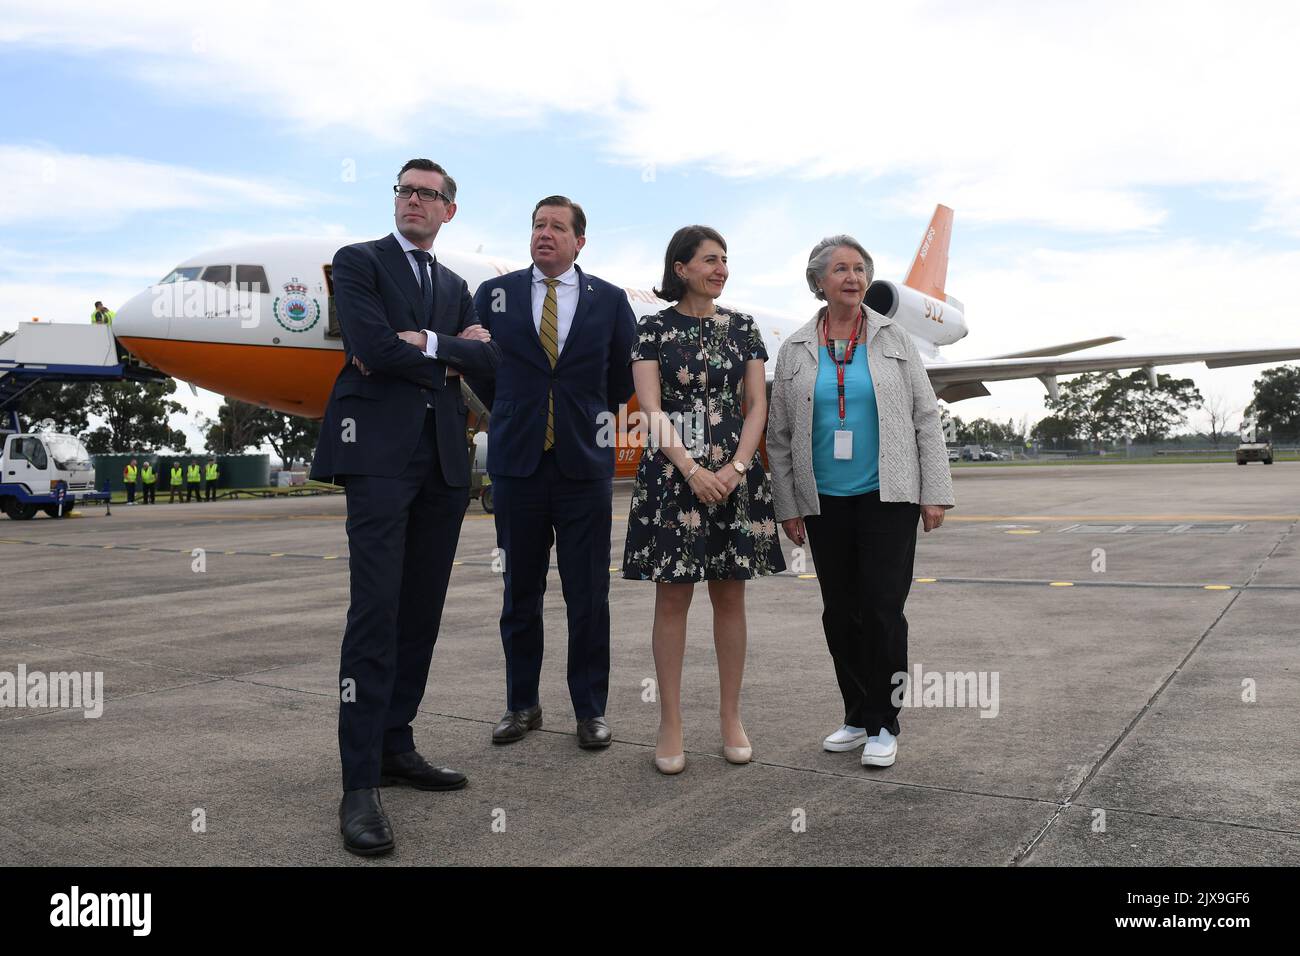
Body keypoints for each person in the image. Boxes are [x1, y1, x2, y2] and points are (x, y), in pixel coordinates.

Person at [309, 158, 500, 857]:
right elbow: (368, 348)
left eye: (429, 194)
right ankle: (357, 783)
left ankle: (396, 744)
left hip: (445, 464)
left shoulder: (456, 286)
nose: (414, 200)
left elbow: (494, 365)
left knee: (420, 613)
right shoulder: (358, 262)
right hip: (379, 457)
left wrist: (426, 345)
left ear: (449, 210)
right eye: (405, 191)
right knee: (374, 613)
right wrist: (450, 354)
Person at [767, 235, 954, 769]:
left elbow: (925, 417)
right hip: (824, 500)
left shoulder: (896, 339)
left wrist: (934, 493)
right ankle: (855, 715)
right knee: (839, 613)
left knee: (882, 611)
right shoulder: (797, 347)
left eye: (859, 269)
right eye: (840, 269)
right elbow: (779, 436)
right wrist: (788, 504)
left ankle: (884, 722)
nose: (851, 277)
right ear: (818, 282)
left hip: (888, 496)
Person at [468, 197, 637, 751]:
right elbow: (481, 370)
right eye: (538, 225)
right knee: (520, 592)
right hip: (517, 465)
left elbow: (619, 381)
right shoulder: (495, 296)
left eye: (557, 227)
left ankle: (590, 711)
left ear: (579, 241)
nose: (545, 234)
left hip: (582, 466)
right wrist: (519, 410)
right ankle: (522, 705)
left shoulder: (610, 301)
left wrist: (572, 415)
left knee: (587, 595)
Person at [622, 226, 785, 775]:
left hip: (734, 475)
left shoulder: (743, 327)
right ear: (680, 268)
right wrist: (692, 469)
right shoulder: (652, 329)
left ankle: (730, 717)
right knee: (672, 599)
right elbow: (650, 408)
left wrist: (737, 468)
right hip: (674, 476)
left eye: (724, 260)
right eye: (709, 260)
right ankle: (670, 723)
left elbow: (757, 404)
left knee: (731, 598)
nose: (720, 269)